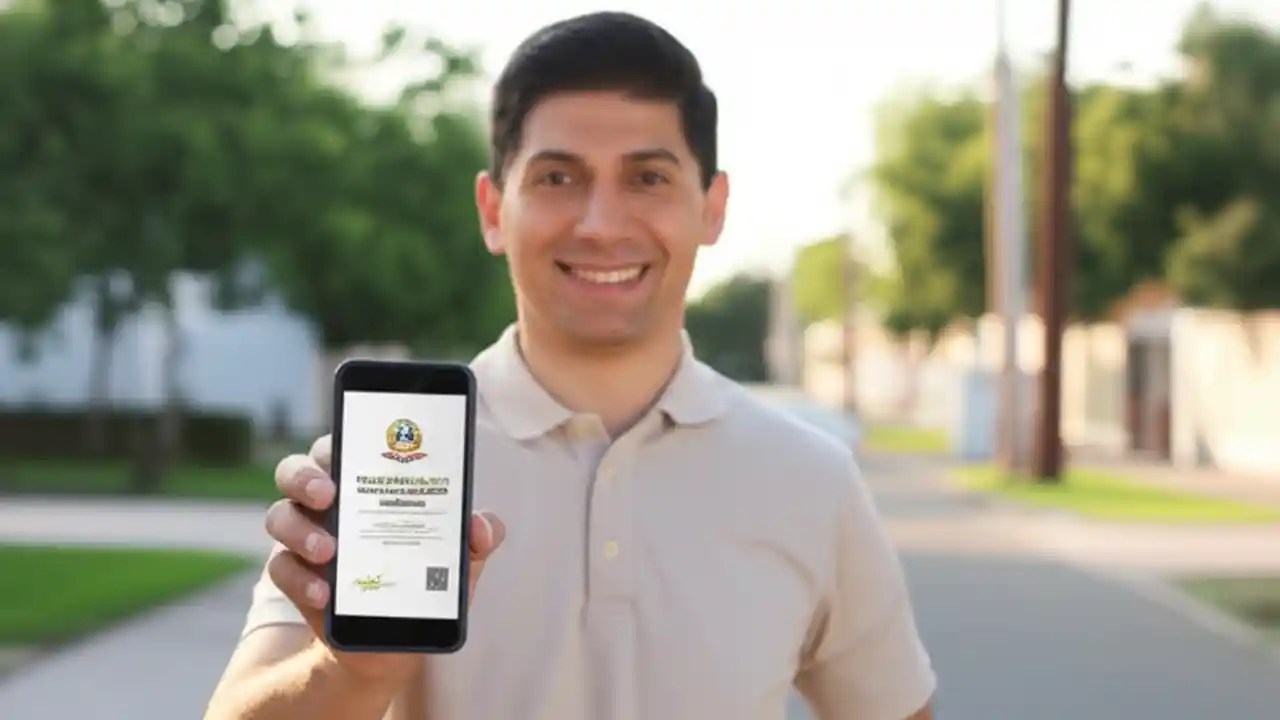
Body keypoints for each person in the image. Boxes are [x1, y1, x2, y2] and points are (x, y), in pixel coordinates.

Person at [205, 10, 936, 720]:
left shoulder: (811, 479)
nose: (601, 225)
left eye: (648, 178)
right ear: (493, 210)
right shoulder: (390, 462)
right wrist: (347, 671)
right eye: (557, 178)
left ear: (712, 208)